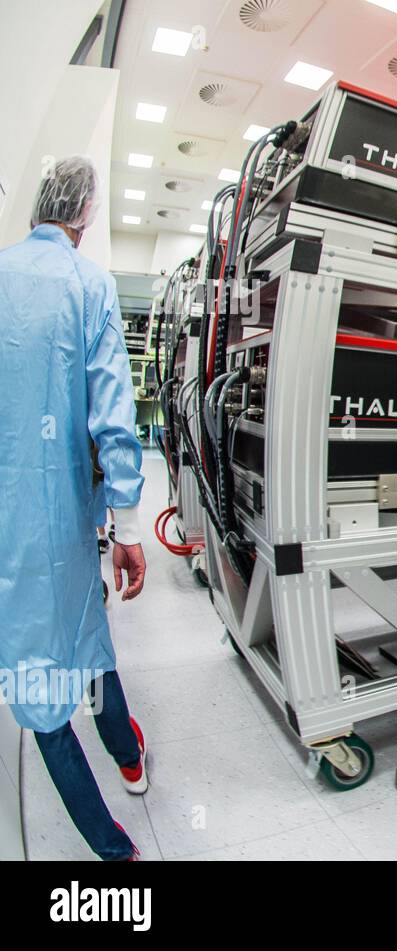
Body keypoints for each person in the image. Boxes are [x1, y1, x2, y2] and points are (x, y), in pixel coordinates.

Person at [0, 156, 149, 860]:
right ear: (84, 217)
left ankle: (121, 780)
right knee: (84, 636)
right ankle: (117, 833)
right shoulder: (90, 285)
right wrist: (124, 527)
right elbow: (115, 421)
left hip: (9, 526)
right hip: (65, 521)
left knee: (39, 673)